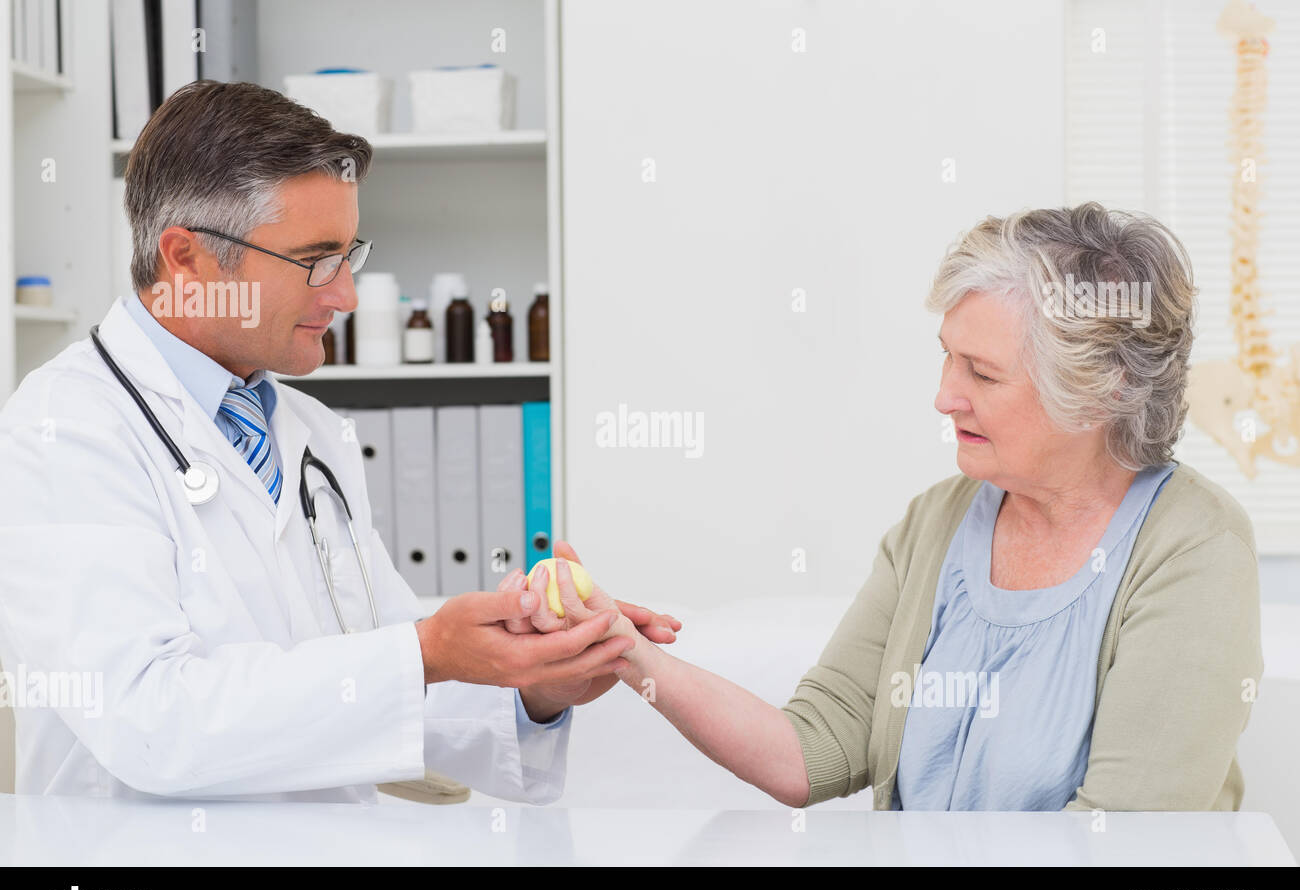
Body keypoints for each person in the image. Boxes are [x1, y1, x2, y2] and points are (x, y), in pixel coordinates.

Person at [0, 80, 678, 802]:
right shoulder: (64, 427)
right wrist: (424, 651)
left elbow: (377, 678)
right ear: (187, 259)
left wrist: (534, 678)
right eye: (313, 260)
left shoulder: (313, 433)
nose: (345, 295)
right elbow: (150, 722)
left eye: (348, 253)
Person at [534, 203, 1264, 812]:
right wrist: (629, 654)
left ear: (1101, 392)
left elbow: (1124, 852)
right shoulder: (938, 523)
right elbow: (812, 749)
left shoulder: (1194, 548)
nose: (945, 396)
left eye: (982, 372)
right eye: (947, 357)